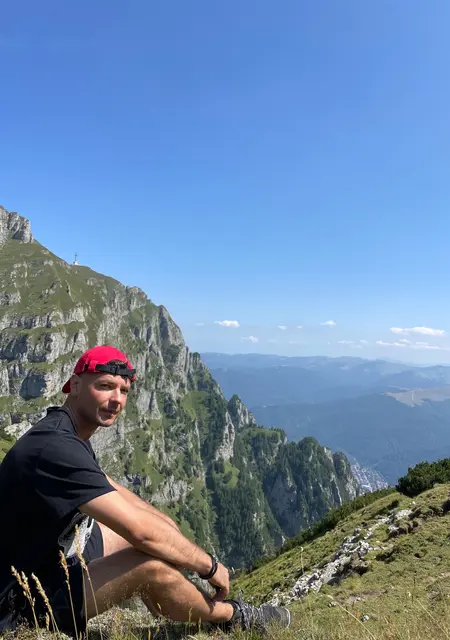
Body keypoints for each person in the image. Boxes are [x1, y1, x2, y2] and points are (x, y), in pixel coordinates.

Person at [0, 345, 291, 637]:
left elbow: (119, 493)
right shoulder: (56, 447)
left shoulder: (71, 433)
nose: (117, 399)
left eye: (124, 390)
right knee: (149, 564)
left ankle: (178, 603)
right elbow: (141, 533)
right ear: (75, 385)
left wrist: (170, 532)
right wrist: (209, 566)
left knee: (161, 534)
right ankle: (233, 616)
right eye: (105, 386)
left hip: (53, 560)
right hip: (21, 603)